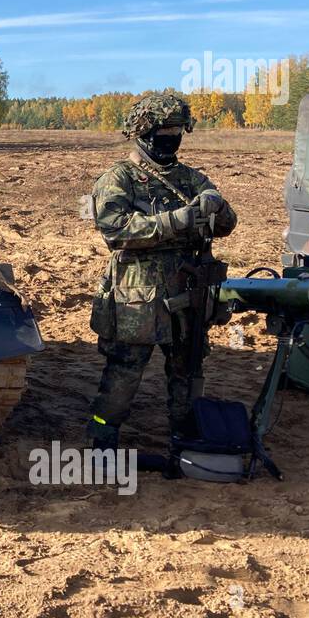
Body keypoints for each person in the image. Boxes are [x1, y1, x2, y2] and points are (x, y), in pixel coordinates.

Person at [86, 92, 237, 450]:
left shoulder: (191, 179)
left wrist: (216, 206)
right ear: (141, 133)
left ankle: (184, 432)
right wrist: (176, 221)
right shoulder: (119, 178)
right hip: (138, 292)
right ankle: (102, 434)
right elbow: (115, 229)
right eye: (161, 132)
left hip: (187, 288)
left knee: (188, 366)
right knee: (125, 369)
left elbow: (227, 223)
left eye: (175, 132)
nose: (169, 139)